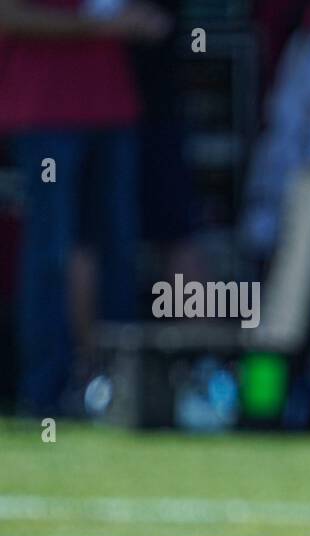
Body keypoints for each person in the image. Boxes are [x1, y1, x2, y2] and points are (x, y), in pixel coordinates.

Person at [0, 0, 170, 416]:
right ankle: (44, 394)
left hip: (112, 108)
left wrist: (140, 20)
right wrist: (97, 26)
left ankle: (118, 393)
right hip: (43, 111)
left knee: (117, 254)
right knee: (50, 254)